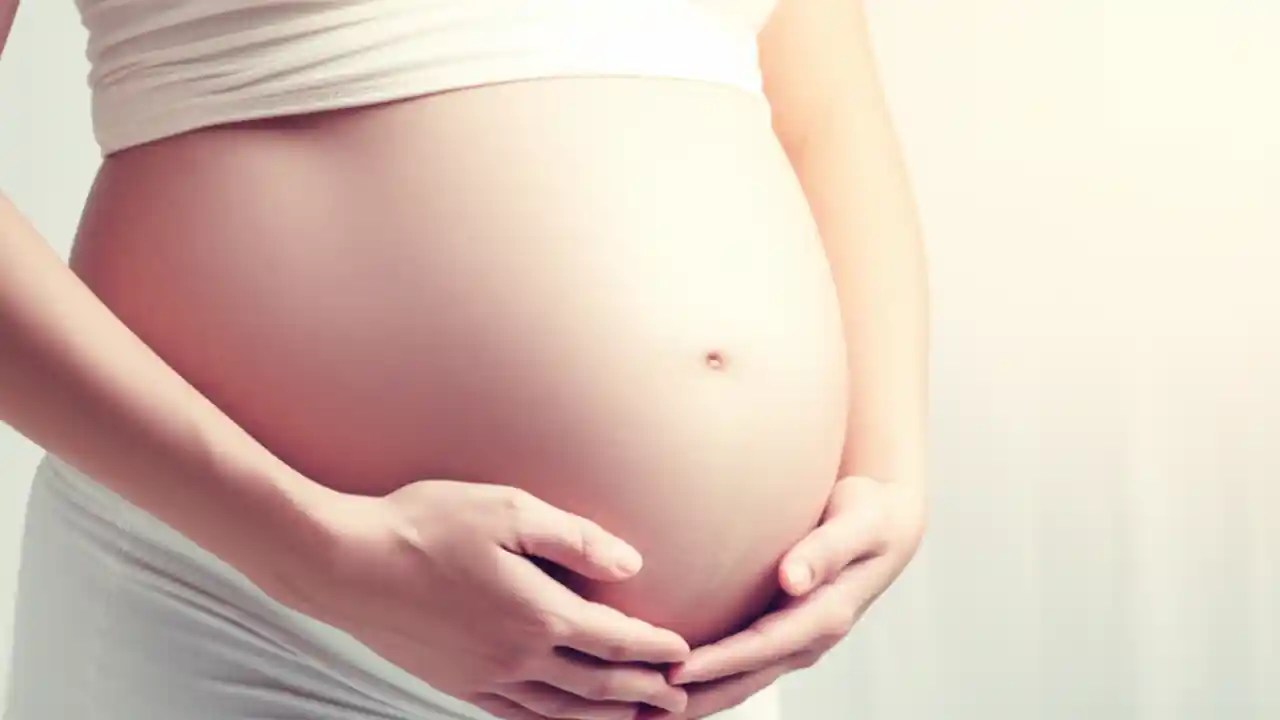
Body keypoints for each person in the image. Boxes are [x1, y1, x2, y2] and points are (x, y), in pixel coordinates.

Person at [0, 0, 929, 717]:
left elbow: (822, 110)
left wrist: (890, 468)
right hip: (249, 621)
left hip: (708, 673)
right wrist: (315, 556)